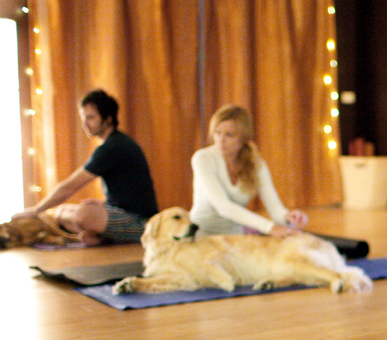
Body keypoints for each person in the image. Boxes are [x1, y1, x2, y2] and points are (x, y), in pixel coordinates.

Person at [13, 89, 158, 245]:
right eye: (83, 118)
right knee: (64, 211)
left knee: (82, 215)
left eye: (90, 117)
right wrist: (104, 204)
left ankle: (102, 236)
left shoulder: (113, 147)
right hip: (121, 213)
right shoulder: (114, 143)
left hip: (141, 222)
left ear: (108, 119)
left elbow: (70, 186)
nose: (84, 124)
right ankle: (101, 236)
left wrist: (36, 210)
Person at [189, 104, 308, 238]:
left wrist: (288, 217)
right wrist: (270, 228)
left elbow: (275, 209)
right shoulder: (203, 158)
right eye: (217, 132)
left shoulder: (257, 165)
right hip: (202, 236)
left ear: (244, 137)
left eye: (229, 134)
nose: (221, 140)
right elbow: (223, 206)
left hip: (235, 237)